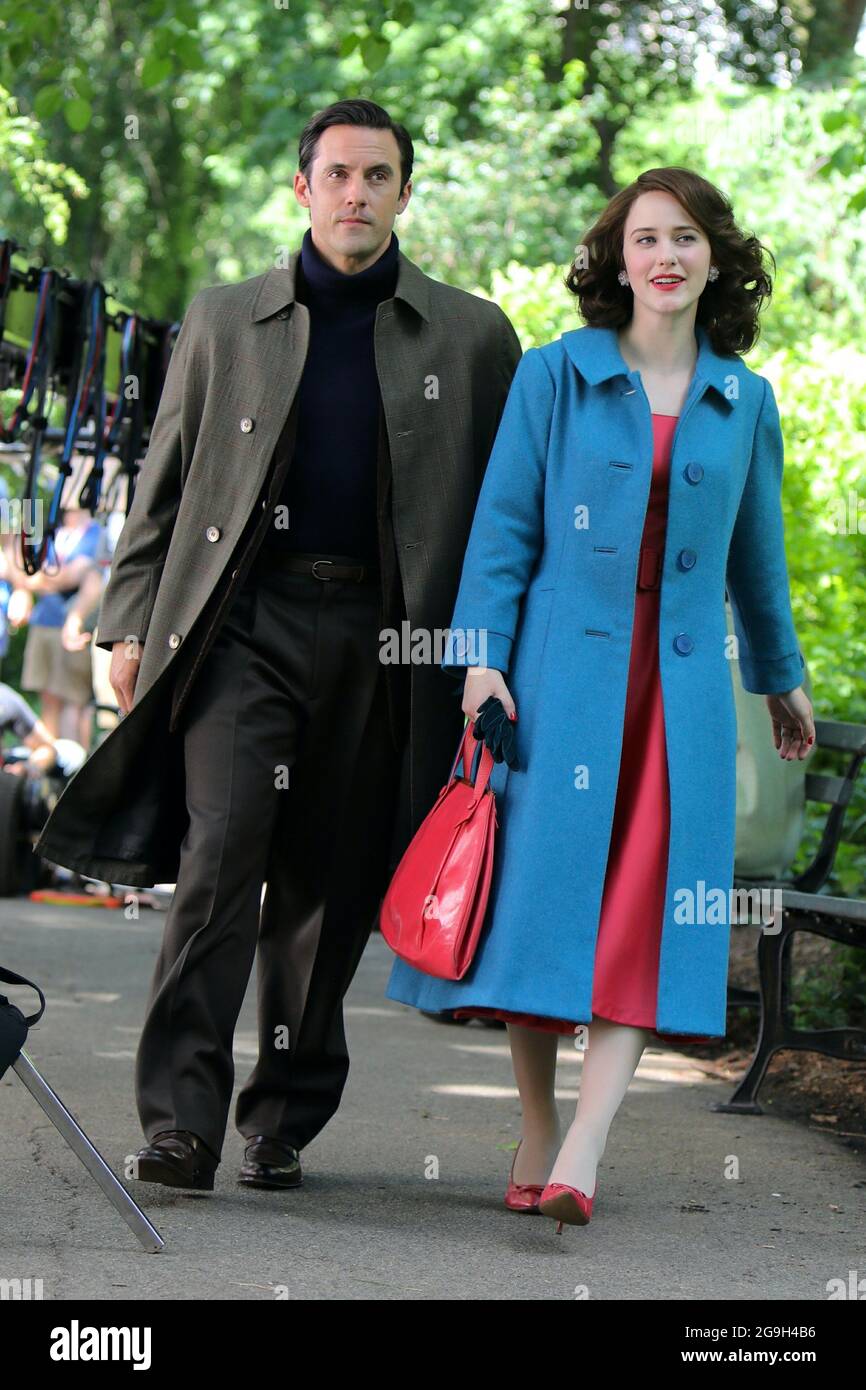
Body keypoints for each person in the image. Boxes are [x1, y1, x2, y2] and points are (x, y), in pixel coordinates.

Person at [62, 98, 521, 1193]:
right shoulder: (225, 318)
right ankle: (181, 1124)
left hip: (389, 642)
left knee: (330, 885)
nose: (356, 193)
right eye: (338, 174)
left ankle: (282, 1118)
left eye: (378, 175)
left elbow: (509, 513)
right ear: (303, 188)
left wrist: (492, 650)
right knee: (219, 862)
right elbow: (165, 478)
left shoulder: (471, 336)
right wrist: (129, 620)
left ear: (404, 192)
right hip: (242, 626)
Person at [385, 166, 816, 1233]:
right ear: (617, 261)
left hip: (679, 695)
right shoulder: (555, 374)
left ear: (715, 259)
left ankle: (585, 1144)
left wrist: (779, 676)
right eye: (645, 239)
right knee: (542, 905)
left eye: (685, 237)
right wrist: (478, 659)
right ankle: (537, 1124)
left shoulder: (744, 400)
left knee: (642, 909)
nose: (665, 256)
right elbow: (502, 529)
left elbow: (756, 561)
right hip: (554, 681)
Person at [7, 506, 102, 746]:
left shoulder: (97, 532)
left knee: (74, 702)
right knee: (48, 699)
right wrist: (48, 579)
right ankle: (52, 764)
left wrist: (40, 578)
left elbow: (86, 575)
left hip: (75, 629)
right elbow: (24, 568)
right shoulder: (49, 525)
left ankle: (76, 766)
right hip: (43, 623)